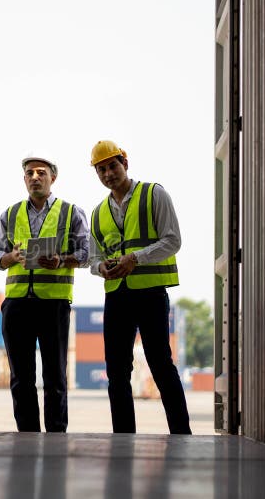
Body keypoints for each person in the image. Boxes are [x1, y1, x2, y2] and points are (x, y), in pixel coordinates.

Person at [88, 140, 191, 434]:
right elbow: (94, 258)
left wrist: (136, 258)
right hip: (116, 297)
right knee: (117, 373)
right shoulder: (98, 213)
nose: (108, 173)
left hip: (150, 293)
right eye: (102, 169)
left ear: (125, 163)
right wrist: (100, 268)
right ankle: (123, 437)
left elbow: (173, 240)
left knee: (160, 365)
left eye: (112, 166)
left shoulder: (153, 194)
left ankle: (182, 434)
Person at [0, 153, 90, 432]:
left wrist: (62, 259)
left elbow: (88, 253)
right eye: (30, 173)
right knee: (21, 378)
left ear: (52, 178)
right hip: (17, 305)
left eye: (41, 173)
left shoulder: (71, 213)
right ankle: (27, 435)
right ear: (24, 180)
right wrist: (12, 257)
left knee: (55, 377)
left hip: (53, 305)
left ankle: (56, 435)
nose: (35, 177)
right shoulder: (9, 215)